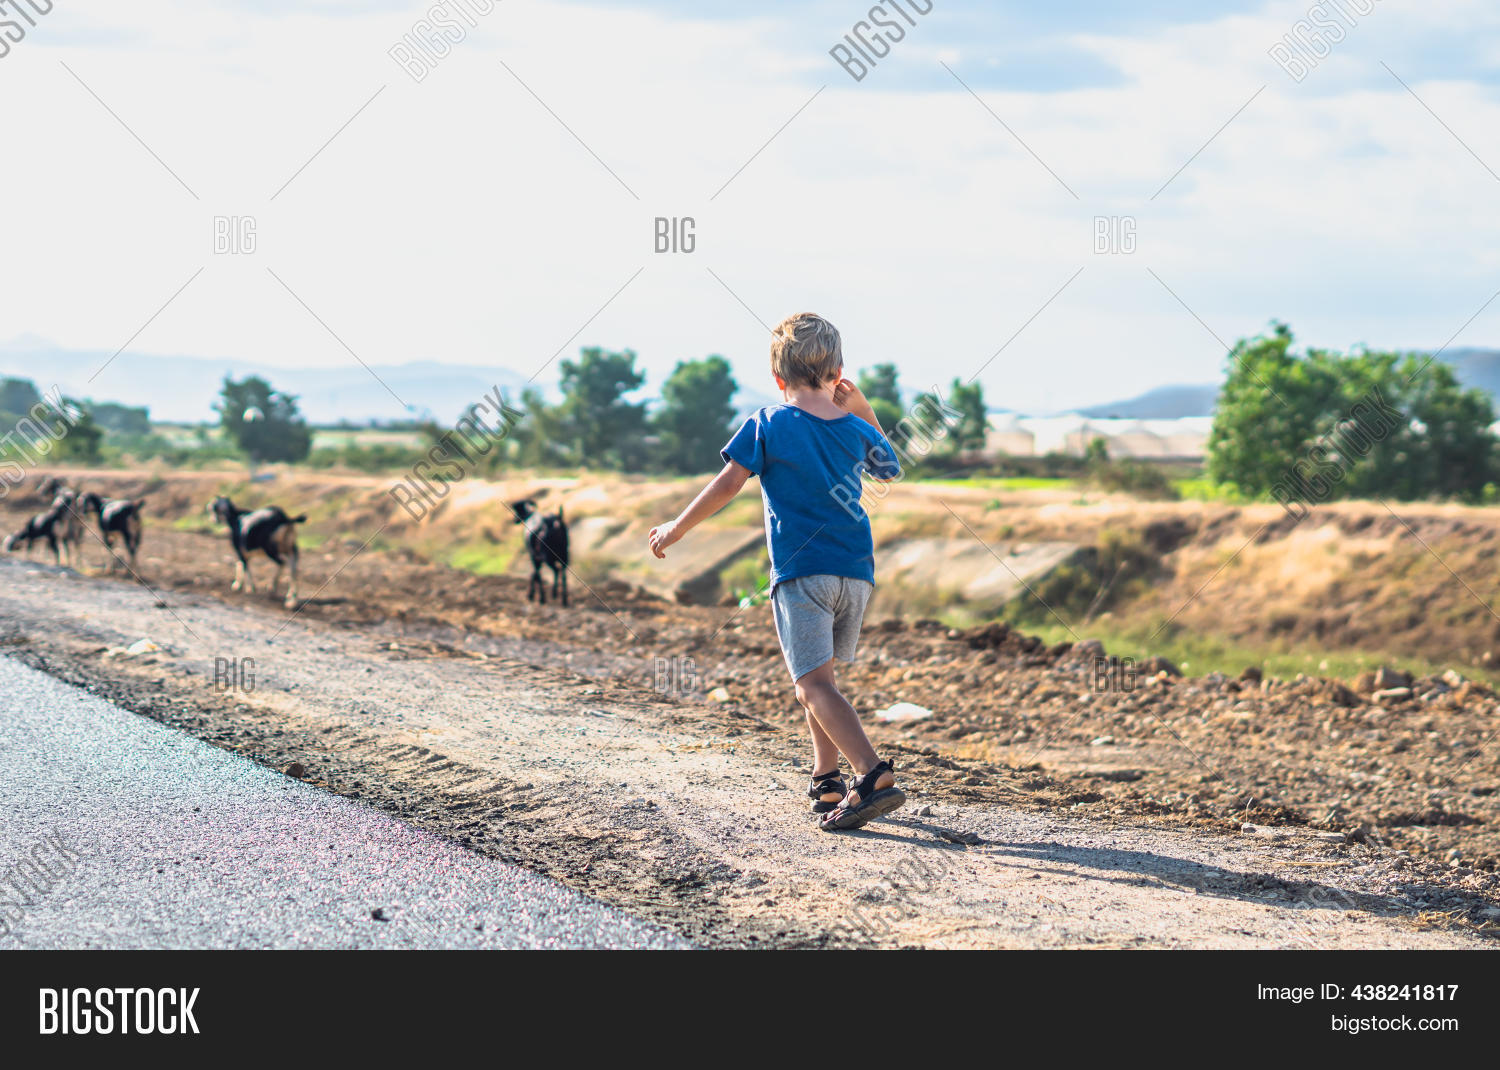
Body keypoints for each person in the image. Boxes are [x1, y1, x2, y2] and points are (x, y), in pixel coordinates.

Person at [649, 312, 906, 831]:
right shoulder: (855, 427)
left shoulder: (767, 423)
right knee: (819, 680)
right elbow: (890, 468)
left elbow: (727, 484)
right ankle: (826, 775)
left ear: (777, 378)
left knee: (812, 686)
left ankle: (871, 775)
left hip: (802, 574)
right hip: (855, 574)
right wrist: (863, 407)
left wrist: (677, 527)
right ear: (838, 372)